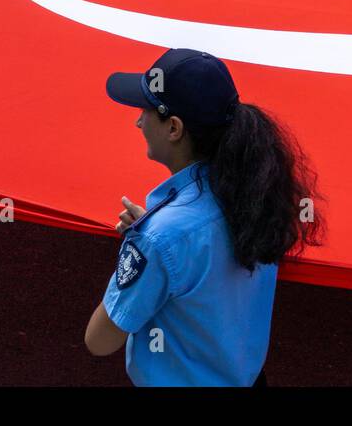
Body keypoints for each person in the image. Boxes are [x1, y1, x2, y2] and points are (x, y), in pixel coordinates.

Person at [84, 48, 323, 385]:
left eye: (146, 110)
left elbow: (99, 340)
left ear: (174, 128)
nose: (138, 120)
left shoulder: (159, 237)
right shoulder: (254, 193)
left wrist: (143, 247)